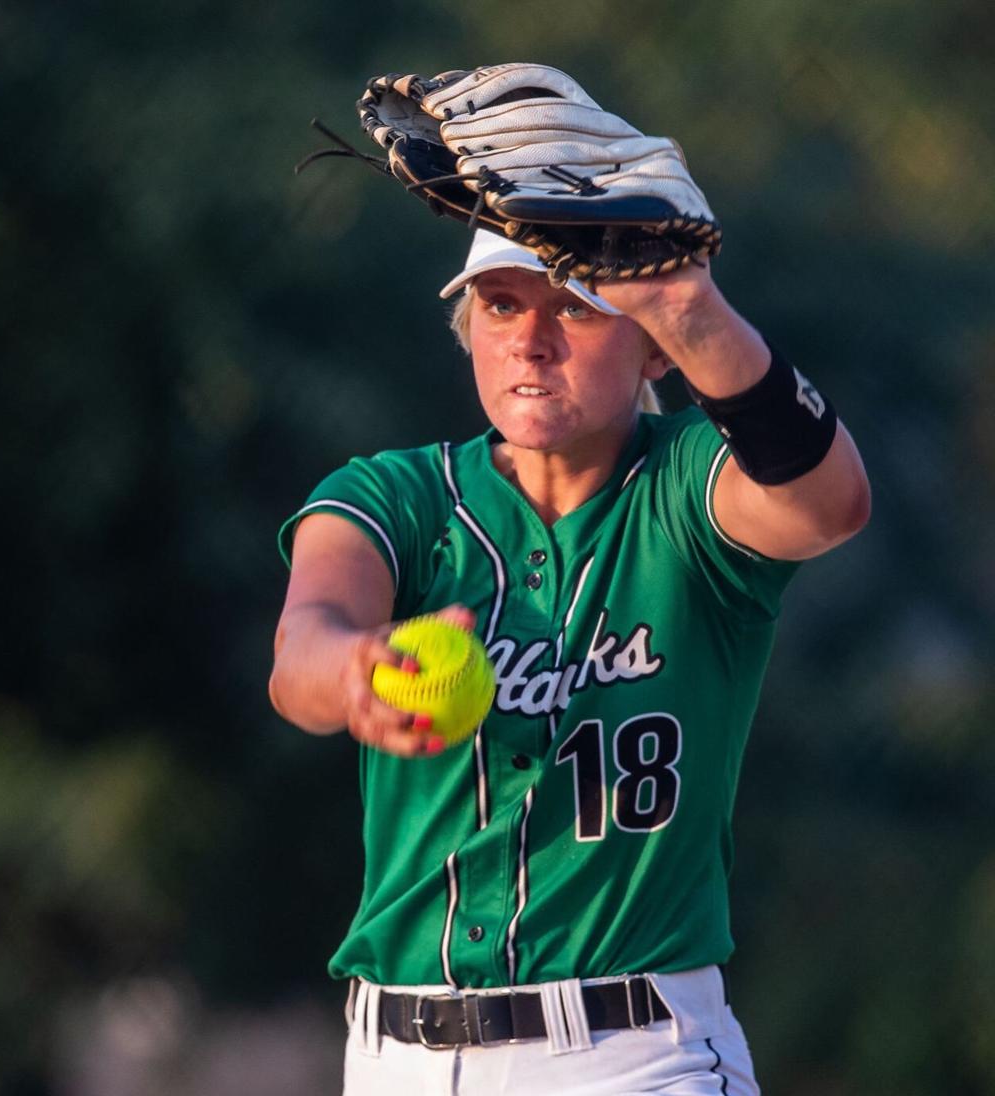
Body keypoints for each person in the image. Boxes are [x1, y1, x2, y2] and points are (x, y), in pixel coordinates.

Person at [269, 205, 870, 1091]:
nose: (531, 341)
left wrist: (692, 308)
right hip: (396, 1060)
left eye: (577, 306)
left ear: (655, 345)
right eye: (501, 306)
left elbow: (829, 504)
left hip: (634, 1055)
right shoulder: (400, 496)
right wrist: (355, 671)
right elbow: (301, 650)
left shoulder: (690, 483)